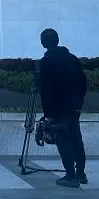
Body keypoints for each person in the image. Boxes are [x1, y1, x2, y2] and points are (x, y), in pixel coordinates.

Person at [38, 28, 88, 188]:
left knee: (63, 140)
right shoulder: (72, 59)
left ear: (43, 43)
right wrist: (79, 103)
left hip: (58, 109)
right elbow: (83, 83)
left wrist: (48, 114)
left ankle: (70, 176)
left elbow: (46, 90)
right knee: (76, 139)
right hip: (74, 107)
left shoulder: (46, 62)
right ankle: (81, 173)